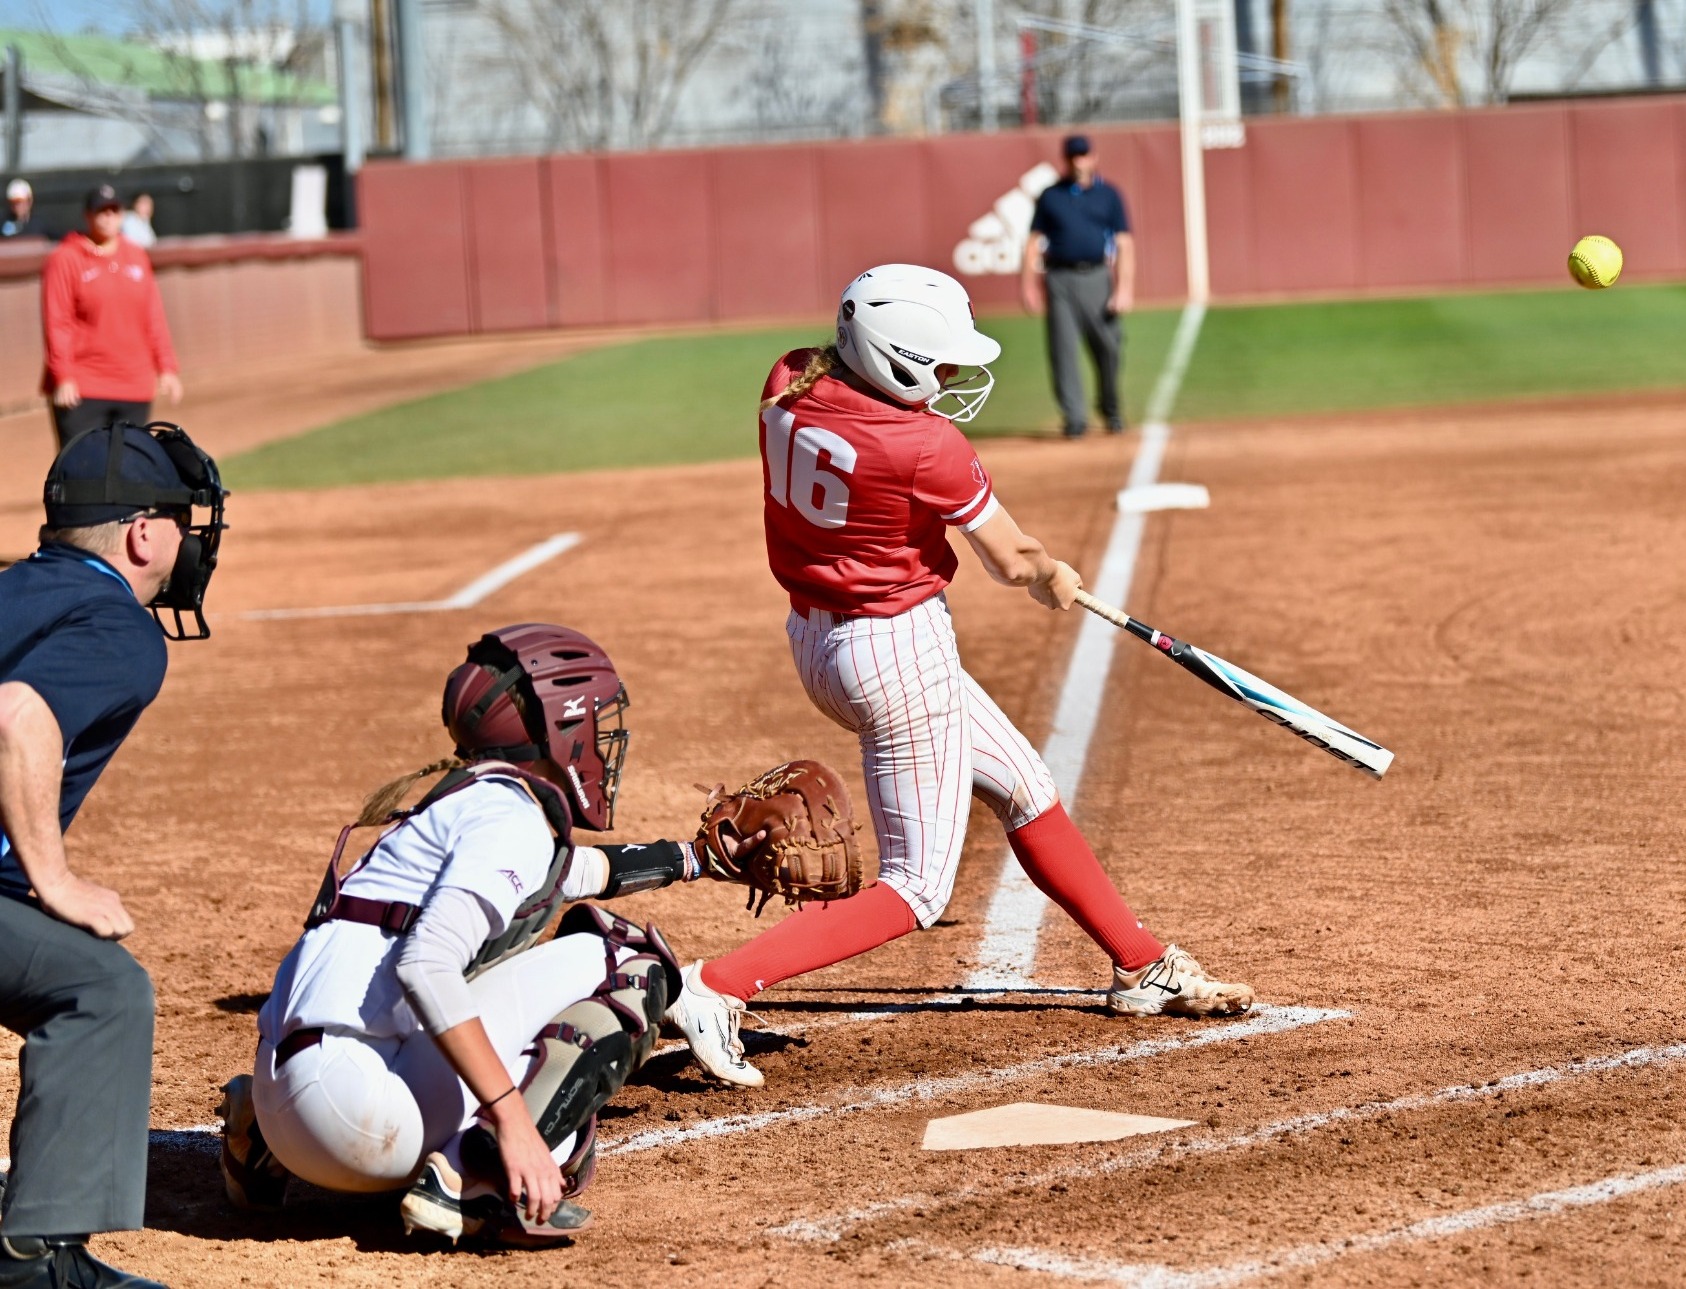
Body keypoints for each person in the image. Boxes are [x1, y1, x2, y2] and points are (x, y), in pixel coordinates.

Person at [663, 264, 1252, 1090]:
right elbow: (1012, 559)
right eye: (938, 365)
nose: (949, 380)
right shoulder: (924, 444)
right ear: (894, 359)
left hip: (817, 639)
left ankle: (1141, 963)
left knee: (1023, 784)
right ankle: (717, 986)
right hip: (898, 656)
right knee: (915, 888)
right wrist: (1054, 575)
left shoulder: (790, 377)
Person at [219, 624, 771, 1246]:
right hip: (363, 1118)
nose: (601, 736)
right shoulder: (510, 819)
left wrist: (696, 859)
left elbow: (566, 876)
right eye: (591, 719)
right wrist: (511, 1119)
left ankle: (258, 1145)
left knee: (480, 963)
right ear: (555, 730)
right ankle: (473, 1178)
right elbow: (426, 965)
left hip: (285, 1100)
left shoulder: (457, 806)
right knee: (631, 962)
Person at [0, 422, 227, 1289]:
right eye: (180, 520)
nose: (190, 542)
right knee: (102, 988)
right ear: (141, 533)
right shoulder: (120, 628)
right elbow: (20, 715)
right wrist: (53, 877)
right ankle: (35, 1262)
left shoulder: (15, 591)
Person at [41, 185, 182, 452]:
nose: (107, 217)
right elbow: (57, 322)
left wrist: (166, 366)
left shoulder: (136, 256)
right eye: (100, 211)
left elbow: (153, 316)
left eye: (113, 210)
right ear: (87, 215)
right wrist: (63, 375)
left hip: (133, 385)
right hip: (84, 387)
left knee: (128, 473)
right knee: (82, 476)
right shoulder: (65, 259)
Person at [1020, 135, 1135, 439]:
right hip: (1060, 280)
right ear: (1065, 159)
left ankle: (1110, 409)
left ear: (1094, 157)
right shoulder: (1051, 196)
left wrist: (1124, 289)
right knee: (1063, 350)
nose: (1078, 161)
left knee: (1109, 347)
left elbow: (1124, 243)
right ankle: (1074, 417)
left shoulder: (1109, 195)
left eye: (1083, 155)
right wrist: (1028, 286)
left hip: (1097, 277)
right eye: (1073, 156)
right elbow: (1033, 243)